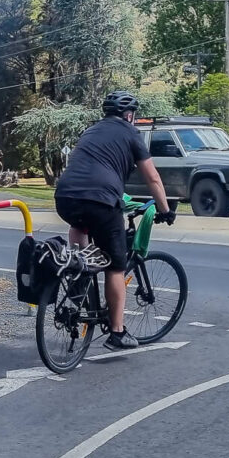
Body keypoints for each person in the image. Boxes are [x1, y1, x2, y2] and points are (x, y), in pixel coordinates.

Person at [54, 91, 175, 350]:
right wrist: (165, 210)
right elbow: (152, 178)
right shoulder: (131, 133)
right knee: (116, 266)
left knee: (79, 226)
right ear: (129, 115)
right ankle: (118, 332)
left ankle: (79, 281)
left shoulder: (90, 131)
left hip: (65, 196)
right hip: (100, 200)